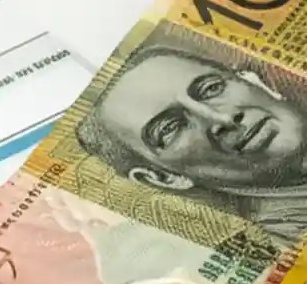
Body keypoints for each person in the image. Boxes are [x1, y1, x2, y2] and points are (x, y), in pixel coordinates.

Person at [75, 43, 307, 240]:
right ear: (163, 178)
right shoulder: (284, 241)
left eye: (211, 89)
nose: (222, 118)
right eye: (169, 129)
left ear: (253, 81)